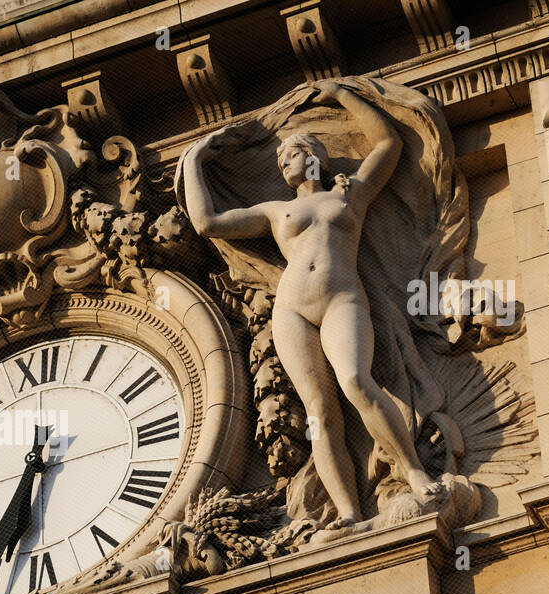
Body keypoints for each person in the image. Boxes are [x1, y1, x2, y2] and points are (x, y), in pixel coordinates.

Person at [181, 79, 444, 531]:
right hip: (292, 310)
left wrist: (342, 95)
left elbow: (389, 142)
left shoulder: (349, 194)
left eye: (291, 155)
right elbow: (206, 222)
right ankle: (347, 511)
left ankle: (414, 472)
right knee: (319, 413)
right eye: (280, 159)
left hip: (343, 297)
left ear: (315, 157)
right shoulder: (274, 211)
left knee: (357, 382)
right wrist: (195, 158)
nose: (284, 163)